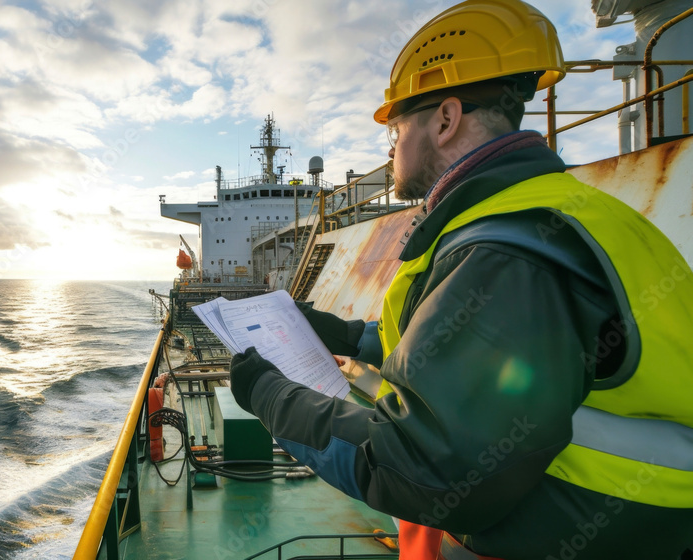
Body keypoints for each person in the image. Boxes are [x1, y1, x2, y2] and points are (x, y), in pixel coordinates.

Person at [227, 1, 693, 559]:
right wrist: (349, 336)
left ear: (445, 120)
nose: (391, 146)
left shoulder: (505, 252)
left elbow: (422, 469)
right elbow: (485, 346)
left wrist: (270, 395)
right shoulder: (564, 213)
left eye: (397, 127)